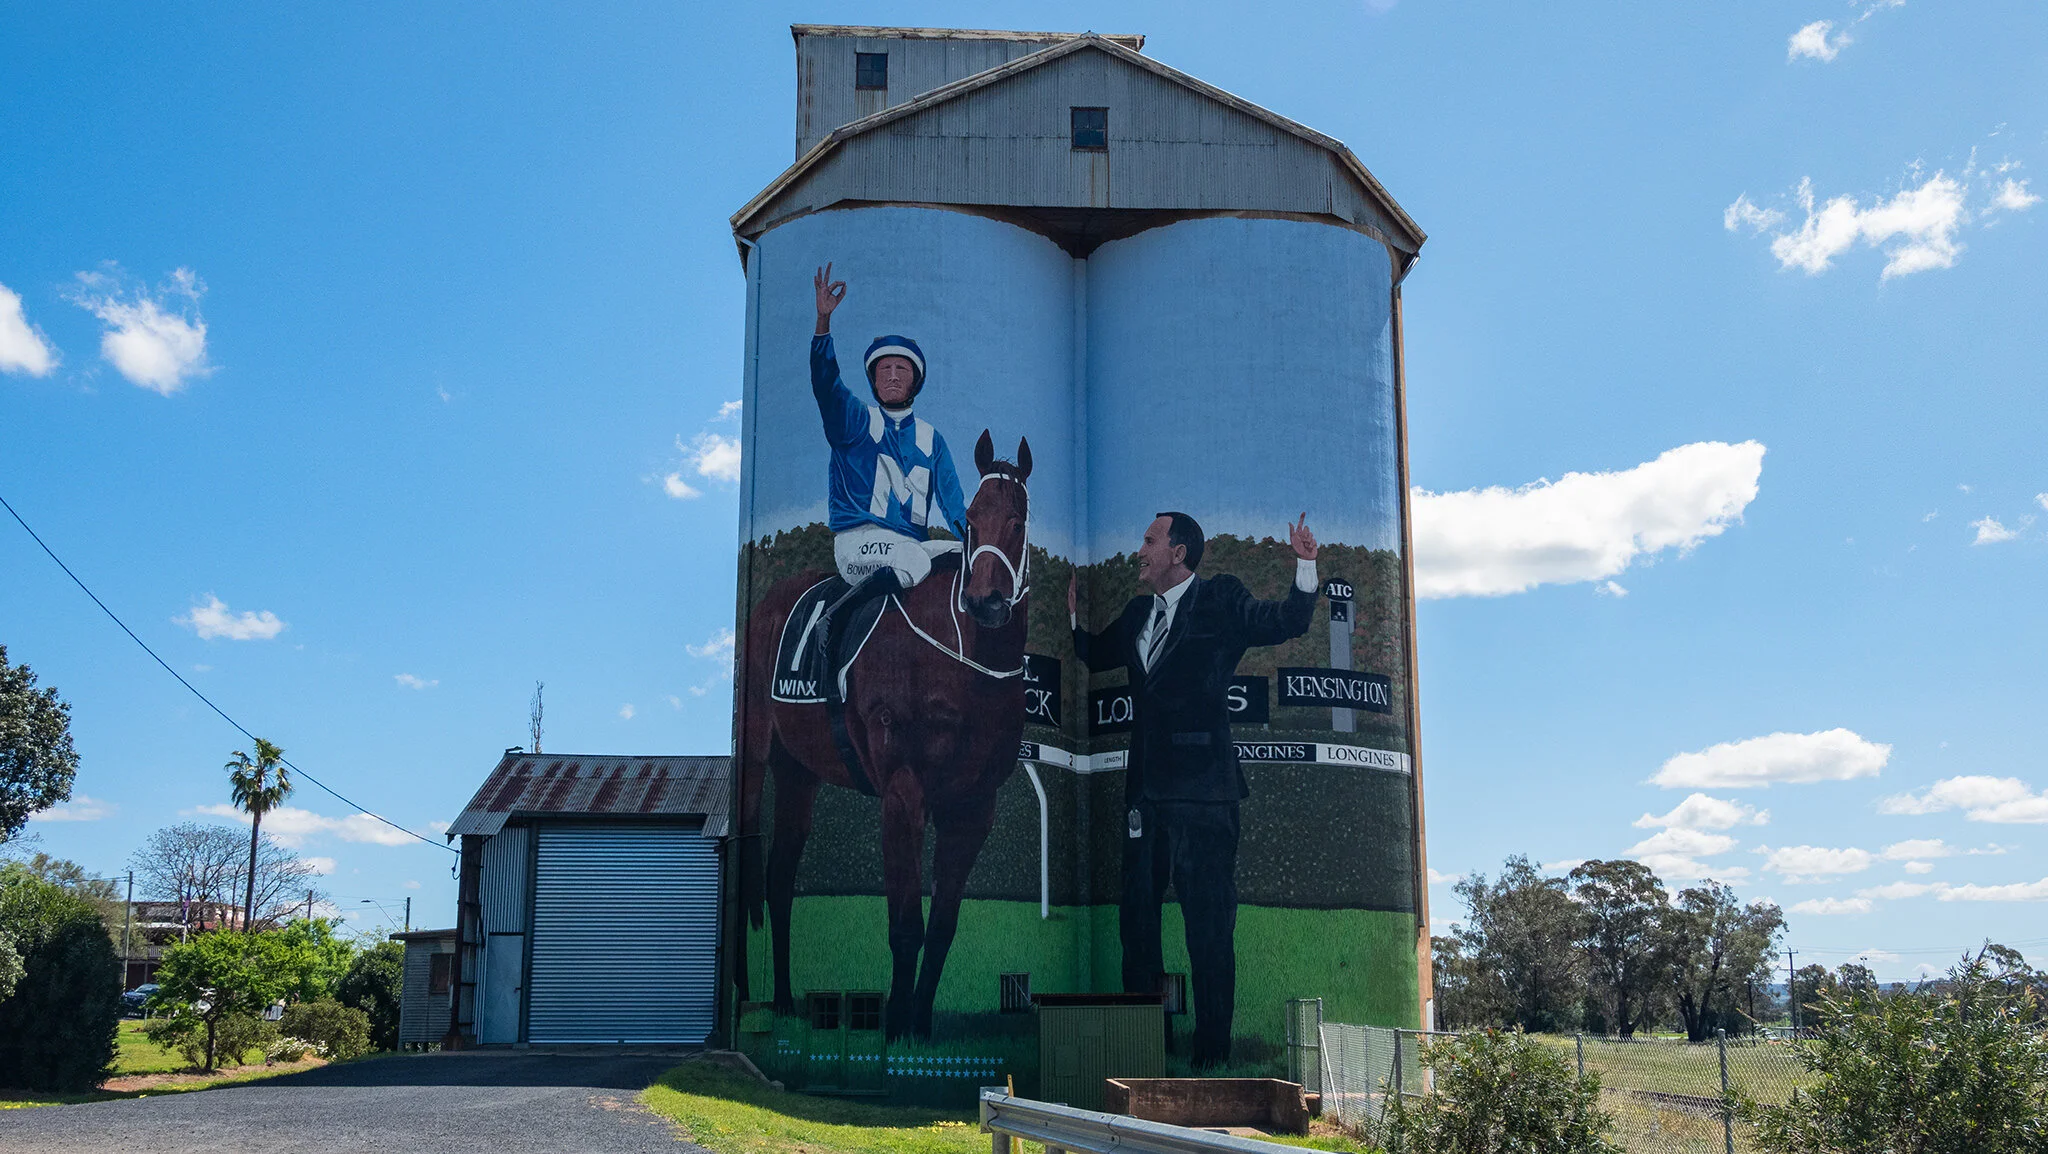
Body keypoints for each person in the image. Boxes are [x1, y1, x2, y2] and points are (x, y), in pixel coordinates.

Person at [1070, 511, 1319, 1068]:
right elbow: (1094, 652)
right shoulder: (1138, 613)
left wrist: (1305, 567)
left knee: (1208, 930)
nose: (1140, 551)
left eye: (1148, 540)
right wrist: (1066, 615)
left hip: (1205, 798)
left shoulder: (1220, 598)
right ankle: (1145, 1052)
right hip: (1144, 800)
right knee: (1136, 927)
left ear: (1178, 553)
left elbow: (1283, 621)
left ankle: (1212, 1056)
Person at [809, 263, 969, 701]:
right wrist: (823, 324)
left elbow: (955, 506)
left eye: (902, 368)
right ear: (873, 378)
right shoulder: (855, 420)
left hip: (909, 547)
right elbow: (826, 386)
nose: (893, 375)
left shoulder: (932, 439)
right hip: (858, 543)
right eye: (885, 369)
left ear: (916, 379)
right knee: (915, 562)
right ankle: (834, 619)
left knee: (967, 559)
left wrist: (975, 544)